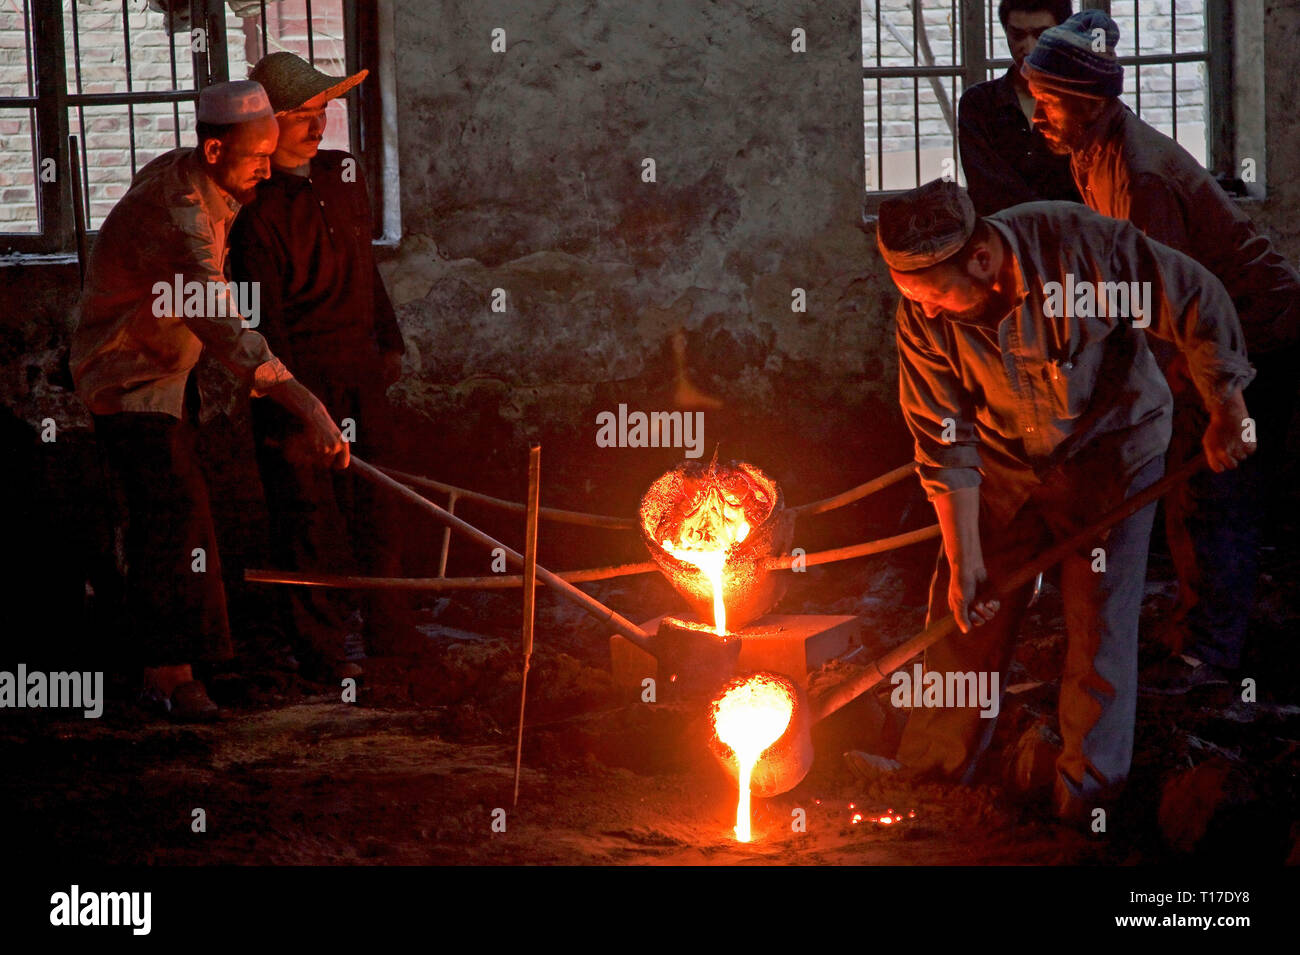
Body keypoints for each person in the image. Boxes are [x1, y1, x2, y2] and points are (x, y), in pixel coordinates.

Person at [877, 179, 1254, 820]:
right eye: (914, 297)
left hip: (1110, 455)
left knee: (1099, 624)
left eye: (936, 294)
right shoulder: (921, 315)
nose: (929, 312)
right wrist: (965, 557)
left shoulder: (1080, 251)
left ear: (981, 259)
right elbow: (944, 440)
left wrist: (1227, 406)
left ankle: (1088, 796)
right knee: (967, 616)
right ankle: (936, 768)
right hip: (1003, 465)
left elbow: (1192, 296)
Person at [1023, 10, 1300, 693]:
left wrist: (1174, 397)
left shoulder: (1139, 176)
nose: (1038, 117)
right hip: (1217, 335)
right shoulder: (1093, 153)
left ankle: (1211, 658)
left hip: (1255, 335)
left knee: (1213, 490)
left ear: (1089, 106)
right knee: (1206, 487)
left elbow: (1178, 300)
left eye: (1050, 104)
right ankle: (1213, 632)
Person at [71, 80, 350, 719]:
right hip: (129, 376)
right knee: (175, 517)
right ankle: (169, 679)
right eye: (257, 158)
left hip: (168, 367)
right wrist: (305, 405)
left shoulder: (206, 177)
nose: (265, 168)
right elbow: (223, 323)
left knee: (176, 514)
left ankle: (169, 663)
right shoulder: (180, 216)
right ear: (217, 148)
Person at [228, 53, 416, 682]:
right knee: (307, 516)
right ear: (265, 126)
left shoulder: (341, 175)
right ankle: (321, 656)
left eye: (324, 110)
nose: (319, 126)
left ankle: (393, 640)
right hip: (296, 378)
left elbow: (365, 266)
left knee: (380, 506)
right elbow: (260, 318)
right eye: (302, 115)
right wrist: (294, 408)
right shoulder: (250, 208)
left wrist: (388, 342)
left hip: (360, 365)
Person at [957, 0, 1080, 215]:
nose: (1029, 47)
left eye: (1041, 35)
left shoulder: (1085, 105)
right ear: (1006, 32)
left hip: (1075, 238)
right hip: (1004, 239)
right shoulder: (978, 103)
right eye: (1017, 35)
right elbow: (986, 189)